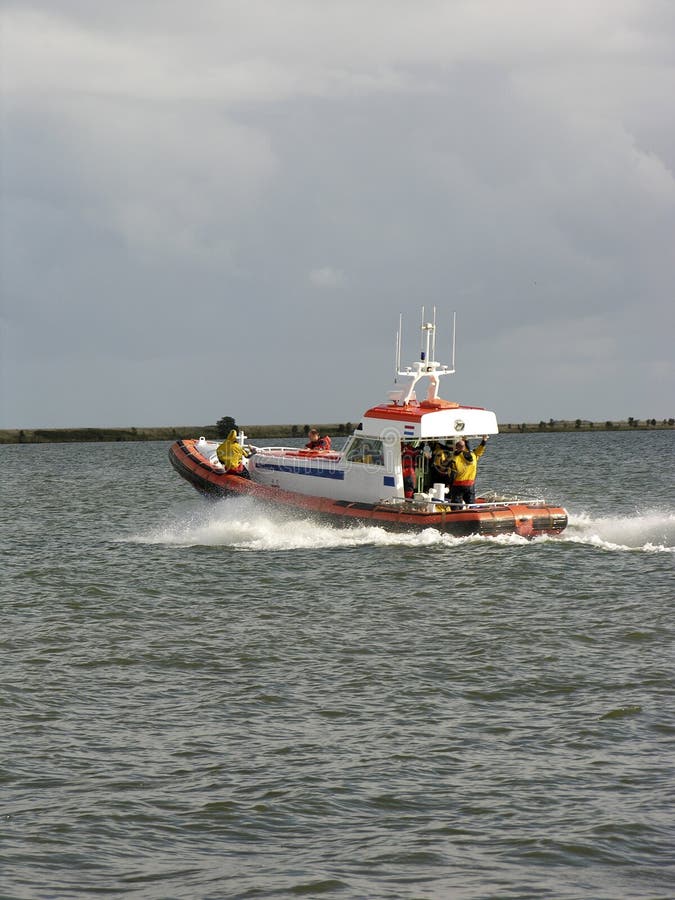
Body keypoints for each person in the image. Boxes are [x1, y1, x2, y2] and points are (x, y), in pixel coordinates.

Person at [449, 436, 488, 507]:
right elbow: (481, 448)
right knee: (471, 503)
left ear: (456, 447)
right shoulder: (474, 455)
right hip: (470, 484)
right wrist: (484, 440)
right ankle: (472, 512)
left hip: (458, 485)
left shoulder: (454, 459)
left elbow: (452, 474)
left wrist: (450, 486)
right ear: (464, 447)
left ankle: (456, 514)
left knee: (456, 504)